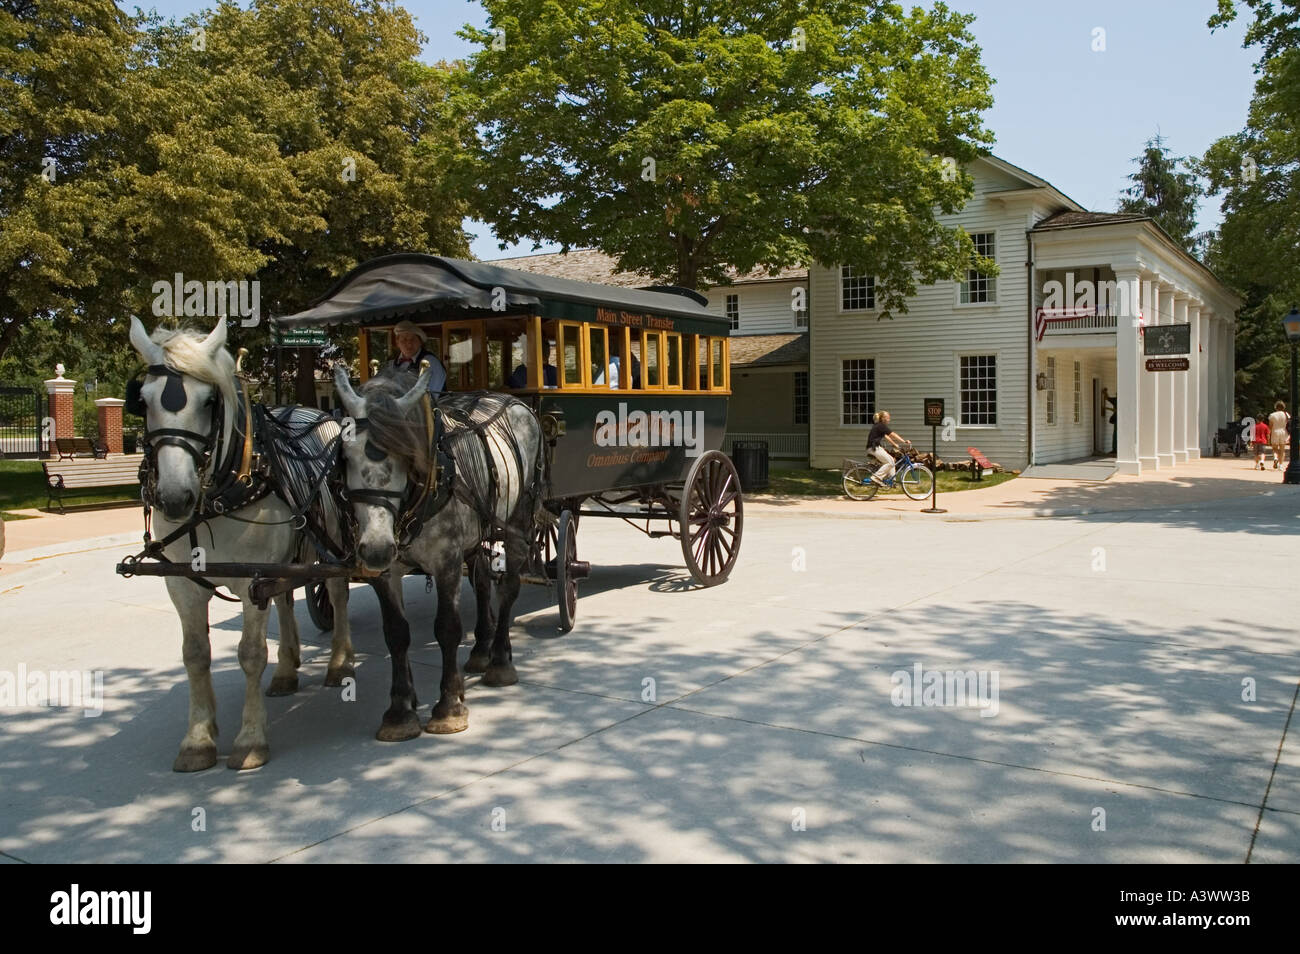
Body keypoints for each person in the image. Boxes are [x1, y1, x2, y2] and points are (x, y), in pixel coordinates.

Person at [389, 320, 447, 393]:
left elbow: (428, 398)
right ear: (397, 342)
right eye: (404, 339)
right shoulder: (392, 363)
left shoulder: (429, 362)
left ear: (420, 342)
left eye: (413, 339)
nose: (409, 344)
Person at [867, 410, 908, 485]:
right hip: (874, 448)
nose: (889, 419)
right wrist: (904, 441)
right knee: (890, 462)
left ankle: (892, 481)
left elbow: (886, 436)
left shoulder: (878, 425)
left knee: (892, 460)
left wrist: (895, 444)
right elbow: (893, 434)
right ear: (883, 418)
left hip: (875, 447)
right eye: (887, 417)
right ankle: (876, 477)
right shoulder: (881, 426)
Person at [1269, 400, 1290, 470]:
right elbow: (1289, 424)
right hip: (1283, 432)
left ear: (1276, 407)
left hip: (1275, 432)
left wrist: (1269, 435)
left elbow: (1270, 426)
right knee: (1282, 450)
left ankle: (1275, 458)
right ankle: (1281, 465)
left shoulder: (1272, 415)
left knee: (1275, 448)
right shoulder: (1286, 414)